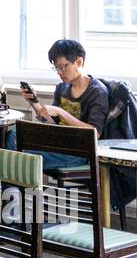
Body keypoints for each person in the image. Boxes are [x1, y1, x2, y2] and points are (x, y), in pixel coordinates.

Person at [17, 37, 109, 168]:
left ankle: (13, 186)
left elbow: (95, 133)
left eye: (63, 67)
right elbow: (53, 123)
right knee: (14, 135)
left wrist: (61, 112)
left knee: (23, 152)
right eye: (56, 68)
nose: (60, 73)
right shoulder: (62, 88)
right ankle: (14, 187)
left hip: (79, 153)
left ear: (79, 62)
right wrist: (34, 103)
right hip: (59, 144)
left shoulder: (97, 92)